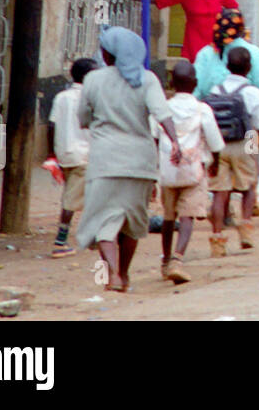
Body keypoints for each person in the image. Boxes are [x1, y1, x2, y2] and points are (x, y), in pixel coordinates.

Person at [75, 27, 181, 293]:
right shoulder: (147, 79)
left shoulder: (93, 80)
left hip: (105, 161)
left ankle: (112, 275)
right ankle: (125, 273)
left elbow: (83, 118)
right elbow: (162, 113)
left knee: (104, 221)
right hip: (140, 163)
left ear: (107, 54)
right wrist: (175, 141)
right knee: (132, 223)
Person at [156, 59, 224, 283]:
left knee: (168, 217)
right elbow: (214, 141)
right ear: (195, 84)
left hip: (168, 170)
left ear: (170, 82)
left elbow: (154, 137)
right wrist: (215, 161)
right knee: (187, 216)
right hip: (194, 170)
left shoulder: (162, 108)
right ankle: (178, 258)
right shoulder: (202, 109)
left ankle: (165, 260)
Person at [193, 9, 259, 173]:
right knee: (250, 171)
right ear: (242, 29)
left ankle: (221, 195)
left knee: (220, 175)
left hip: (217, 127)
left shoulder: (205, 54)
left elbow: (195, 91)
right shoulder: (253, 53)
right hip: (249, 132)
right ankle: (248, 192)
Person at [205, 47, 259, 256]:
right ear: (249, 68)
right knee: (249, 185)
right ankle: (245, 229)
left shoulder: (215, 91)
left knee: (220, 193)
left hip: (218, 144)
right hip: (248, 139)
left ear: (227, 67)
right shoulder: (254, 93)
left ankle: (217, 239)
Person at [47, 57, 99, 258]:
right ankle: (60, 240)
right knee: (73, 198)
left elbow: (52, 125)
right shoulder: (91, 98)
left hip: (65, 153)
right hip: (85, 154)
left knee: (82, 194)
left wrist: (52, 152)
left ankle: (92, 236)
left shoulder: (62, 97)